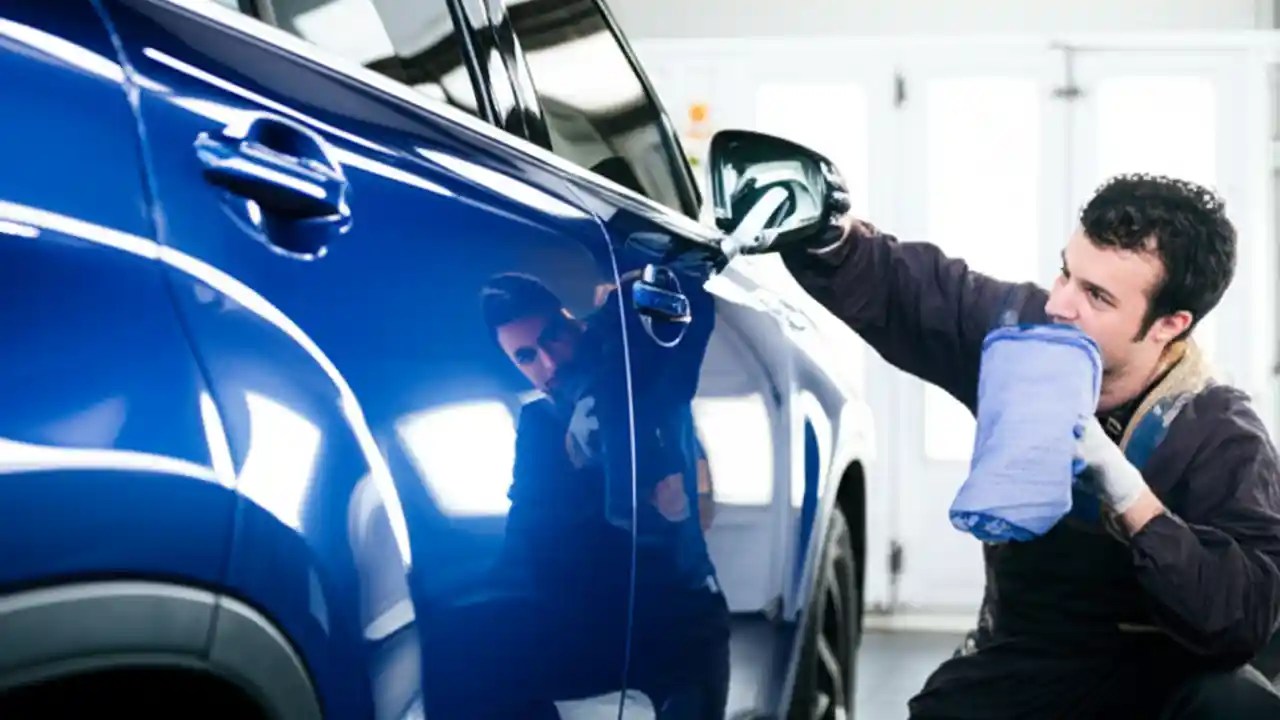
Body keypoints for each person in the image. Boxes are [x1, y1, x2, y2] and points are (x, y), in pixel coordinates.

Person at [760, 172, 1280, 718]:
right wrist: (827, 233)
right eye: (1066, 273)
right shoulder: (1019, 338)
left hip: (1167, 675)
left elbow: (1243, 618)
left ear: (1168, 325)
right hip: (1030, 655)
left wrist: (1131, 498)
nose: (1060, 305)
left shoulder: (1222, 434)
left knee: (1240, 707)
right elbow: (912, 291)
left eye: (1096, 297)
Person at [421, 271, 729, 720]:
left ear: (577, 324)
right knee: (462, 650)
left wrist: (626, 300)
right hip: (587, 620)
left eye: (553, 337)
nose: (548, 363)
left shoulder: (646, 378)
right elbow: (526, 539)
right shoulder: (539, 425)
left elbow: (692, 304)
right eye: (526, 356)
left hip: (676, 621)